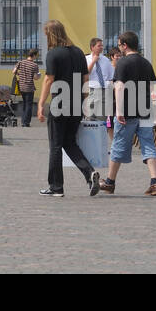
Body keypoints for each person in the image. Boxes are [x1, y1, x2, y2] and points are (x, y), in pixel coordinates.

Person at [38, 20, 101, 197]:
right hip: (76, 104)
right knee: (69, 143)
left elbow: (49, 79)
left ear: (50, 35)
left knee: (56, 146)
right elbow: (86, 78)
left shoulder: (53, 54)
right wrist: (84, 101)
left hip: (59, 105)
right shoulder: (78, 52)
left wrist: (41, 104)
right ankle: (89, 173)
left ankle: (56, 187)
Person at [98, 31, 156, 196]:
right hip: (145, 110)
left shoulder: (123, 63)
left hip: (127, 111)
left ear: (125, 45)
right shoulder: (146, 63)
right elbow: (152, 88)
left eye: (119, 45)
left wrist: (119, 111)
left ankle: (110, 182)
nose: (119, 48)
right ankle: (154, 182)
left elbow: (119, 87)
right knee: (149, 145)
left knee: (118, 144)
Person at [13, 49, 39, 126]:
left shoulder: (21, 62)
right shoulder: (34, 65)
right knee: (29, 105)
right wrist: (39, 75)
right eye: (36, 55)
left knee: (24, 104)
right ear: (34, 55)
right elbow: (35, 77)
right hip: (29, 87)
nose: (36, 57)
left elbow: (14, 71)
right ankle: (26, 122)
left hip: (21, 86)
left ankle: (23, 121)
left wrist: (20, 74)